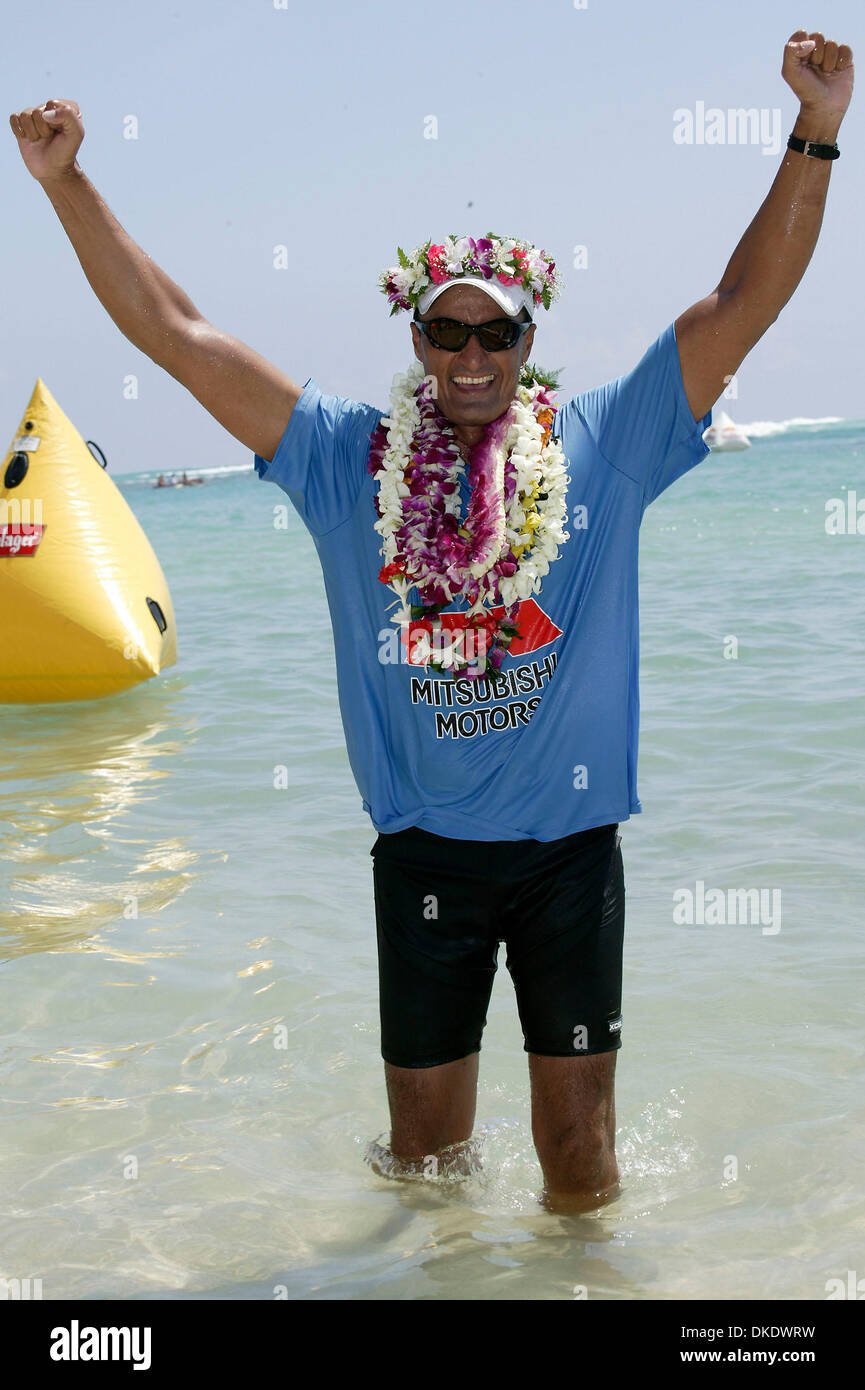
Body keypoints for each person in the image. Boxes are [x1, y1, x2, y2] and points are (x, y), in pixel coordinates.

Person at [9, 29, 853, 1212]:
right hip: (422, 860)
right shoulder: (341, 457)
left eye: (494, 333)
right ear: (415, 339)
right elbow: (176, 335)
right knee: (424, 1172)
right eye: (446, 332)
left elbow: (743, 300)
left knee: (579, 1161)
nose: (469, 356)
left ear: (526, 343)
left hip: (570, 855)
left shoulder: (604, 442)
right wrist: (67, 183)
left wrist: (816, 128)